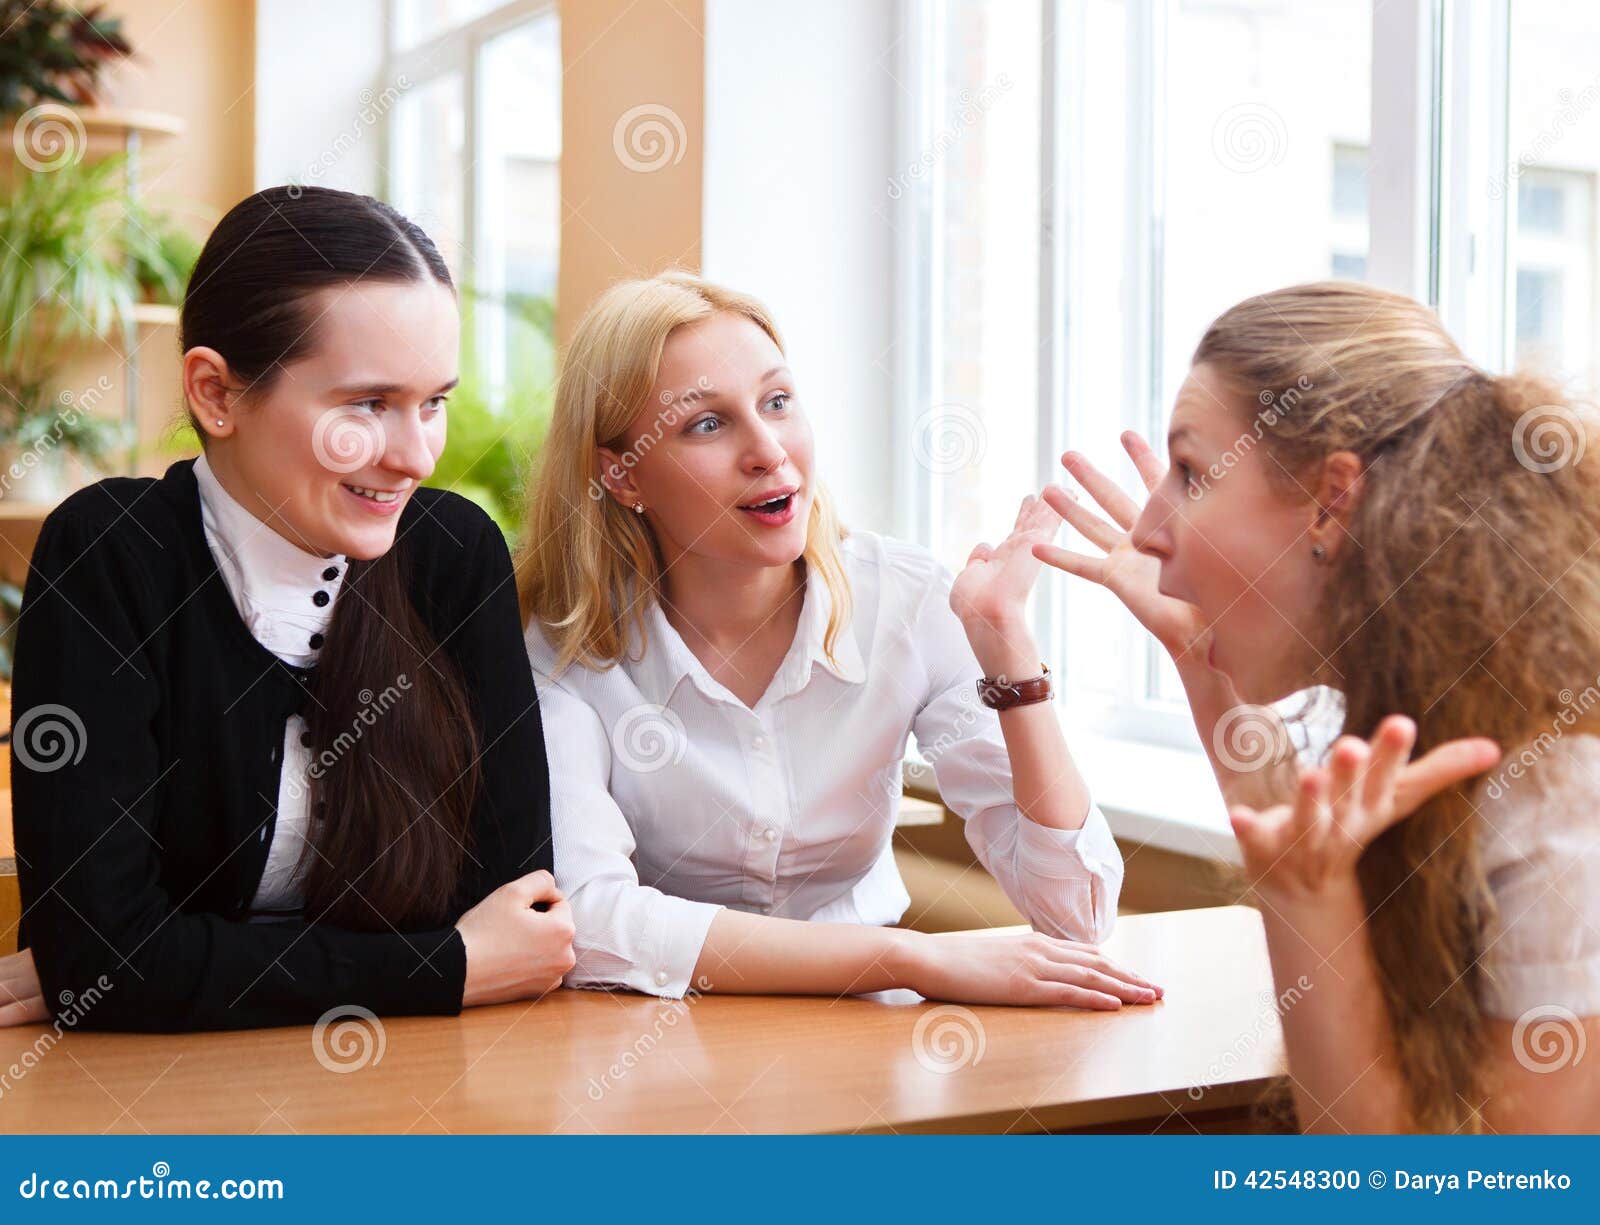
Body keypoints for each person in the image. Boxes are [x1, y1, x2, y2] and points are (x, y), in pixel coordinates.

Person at [0, 186, 571, 1032]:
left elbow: (520, 921)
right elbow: (105, 964)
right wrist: (441, 964)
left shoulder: (454, 555)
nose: (415, 455)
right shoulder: (110, 555)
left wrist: (176, 964)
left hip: (428, 1094)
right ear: (216, 393)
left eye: (434, 402)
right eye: (368, 404)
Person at [1037, 281, 1600, 1131]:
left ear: (1334, 501)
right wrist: (1200, 659)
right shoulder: (1437, 711)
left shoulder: (1561, 797)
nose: (1150, 535)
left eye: (1190, 472)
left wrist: (1309, 907)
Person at [517, 270, 1159, 1008]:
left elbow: (1076, 915)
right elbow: (588, 922)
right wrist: (898, 957)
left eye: (778, 401)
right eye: (707, 423)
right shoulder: (560, 649)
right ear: (623, 478)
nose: (768, 450)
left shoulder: (908, 601)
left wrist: (1009, 652)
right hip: (649, 1048)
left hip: (867, 1046)